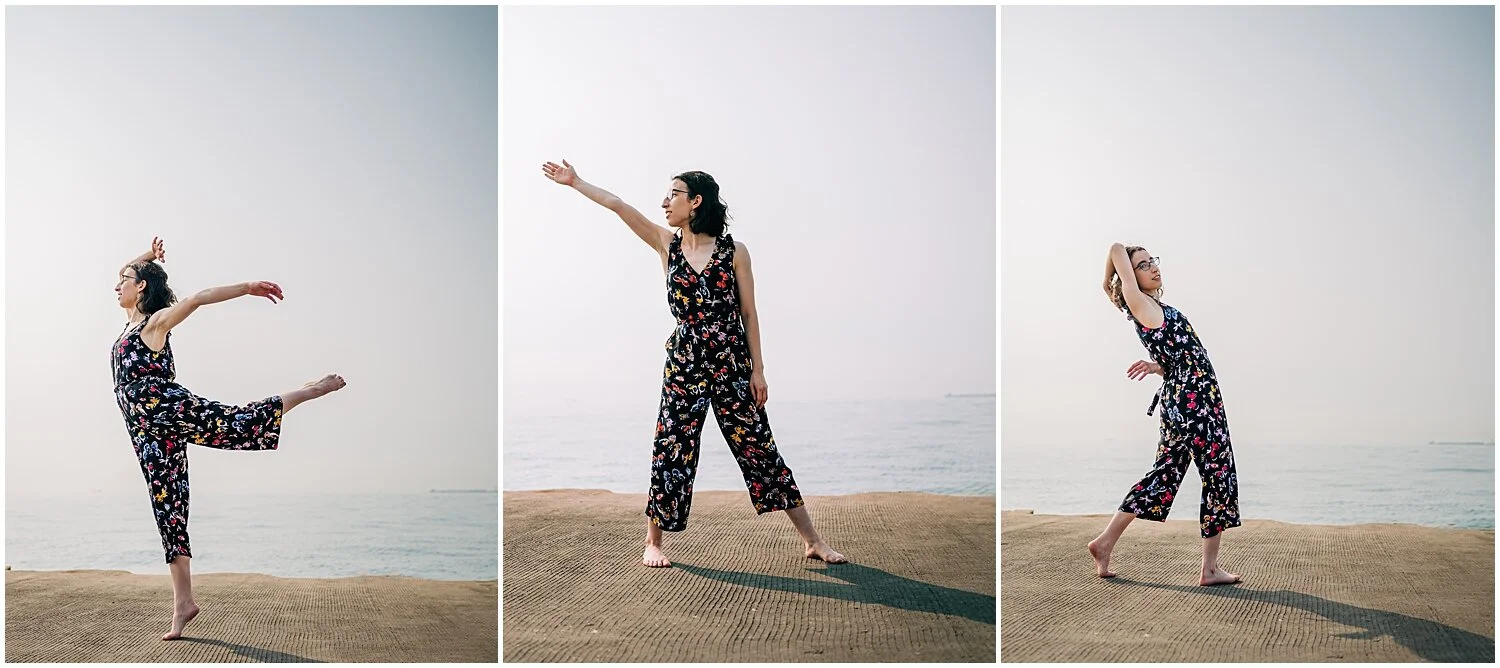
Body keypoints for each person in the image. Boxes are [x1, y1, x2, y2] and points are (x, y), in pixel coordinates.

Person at [541, 159, 846, 568]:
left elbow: (750, 314)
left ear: (696, 201)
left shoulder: (734, 252)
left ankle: (812, 540)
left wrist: (758, 369)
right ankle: (653, 542)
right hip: (684, 364)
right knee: (671, 447)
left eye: (674, 194)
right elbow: (617, 205)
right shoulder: (665, 244)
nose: (665, 202)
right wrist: (576, 182)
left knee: (759, 448)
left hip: (731, 362)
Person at [111, 237, 347, 639]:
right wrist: (148, 257)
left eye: (125, 280)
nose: (116, 285)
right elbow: (130, 266)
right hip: (146, 432)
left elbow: (200, 298)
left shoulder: (155, 323)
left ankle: (310, 390)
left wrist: (248, 286)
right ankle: (183, 604)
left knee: (238, 423)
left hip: (172, 410)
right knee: (168, 508)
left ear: (142, 287)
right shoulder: (128, 324)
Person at [1087, 243, 1242, 586]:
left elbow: (1182, 359)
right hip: (1194, 405)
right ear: (1130, 278)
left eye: (1152, 261)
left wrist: (1159, 366)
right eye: (1142, 266)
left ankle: (1105, 542)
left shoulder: (1156, 307)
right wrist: (1114, 276)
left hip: (1193, 400)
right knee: (1217, 476)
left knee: (1167, 475)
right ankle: (1209, 568)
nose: (1152, 268)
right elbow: (1114, 249)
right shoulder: (1140, 303)